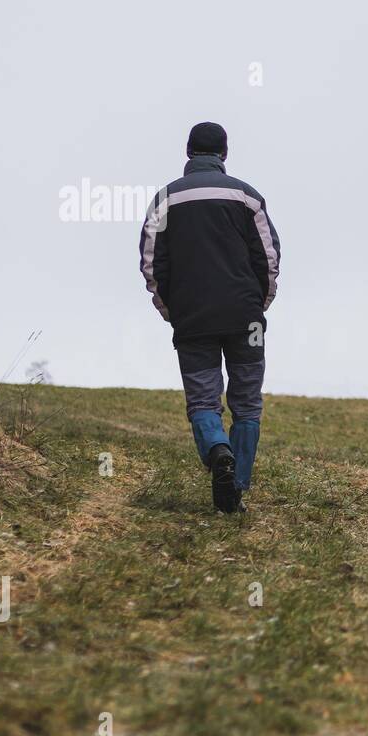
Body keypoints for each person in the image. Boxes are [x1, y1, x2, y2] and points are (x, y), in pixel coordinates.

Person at [139, 122, 281, 514]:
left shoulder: (165, 199)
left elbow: (152, 264)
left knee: (203, 398)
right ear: (224, 154)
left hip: (193, 319)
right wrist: (260, 303)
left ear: (188, 151)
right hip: (246, 319)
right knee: (247, 402)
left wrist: (171, 310)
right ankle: (237, 485)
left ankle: (219, 451)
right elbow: (268, 258)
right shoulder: (248, 197)